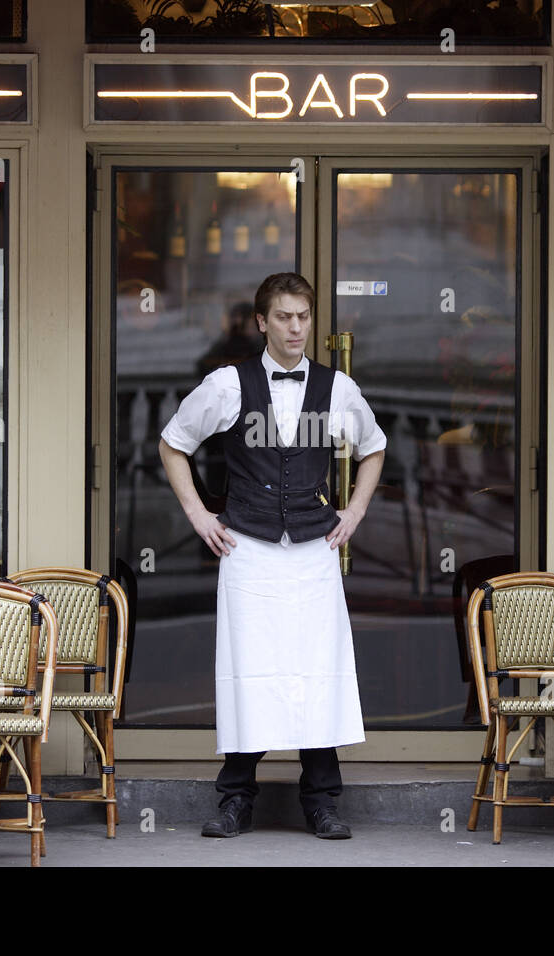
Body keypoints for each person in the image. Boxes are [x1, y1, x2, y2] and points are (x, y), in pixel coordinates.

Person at [158, 272, 387, 840]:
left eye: (303, 317)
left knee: (318, 674)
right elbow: (173, 442)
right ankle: (236, 799)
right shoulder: (228, 385)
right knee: (247, 673)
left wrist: (353, 514)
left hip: (312, 550)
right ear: (262, 322)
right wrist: (199, 516)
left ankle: (323, 801)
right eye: (284, 317)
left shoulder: (336, 389)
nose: (295, 327)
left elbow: (375, 448)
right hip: (249, 550)